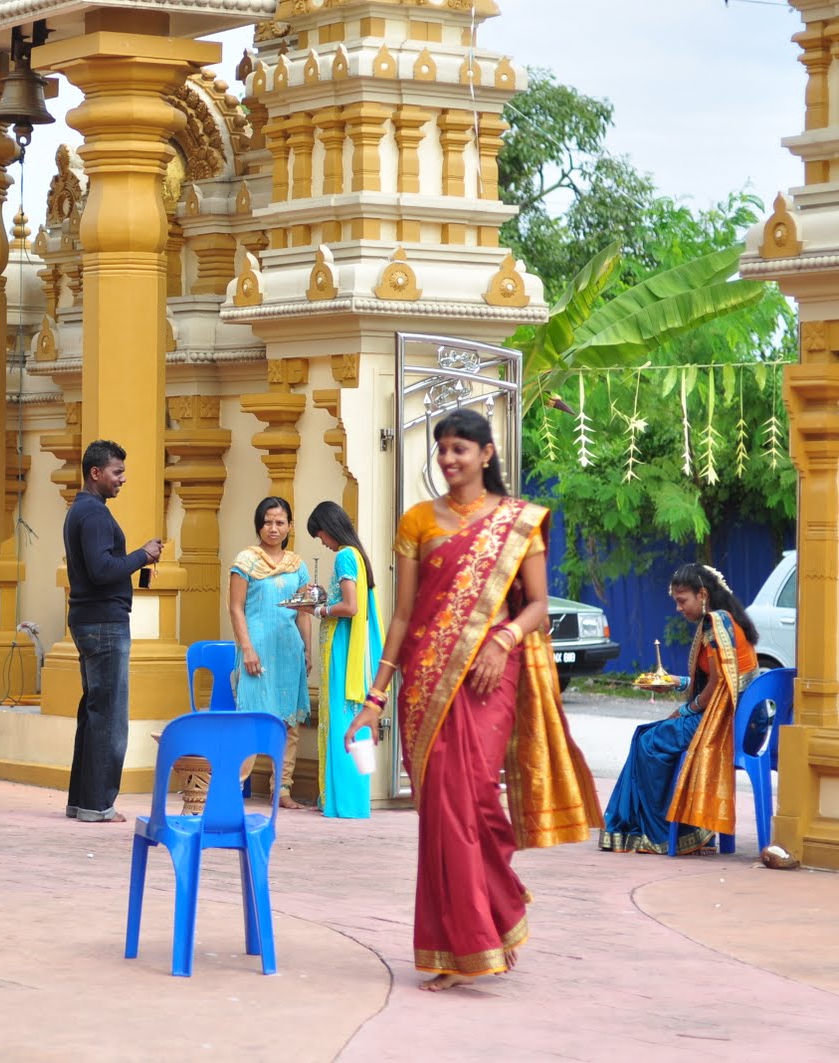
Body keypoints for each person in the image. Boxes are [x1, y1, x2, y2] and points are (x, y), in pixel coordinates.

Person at [347, 408, 599, 992]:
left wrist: (503, 639)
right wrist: (376, 697)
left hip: (491, 675)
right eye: (442, 451)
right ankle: (461, 943)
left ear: (486, 454)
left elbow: (536, 604)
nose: (449, 460)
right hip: (425, 687)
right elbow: (406, 615)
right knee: (441, 813)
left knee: (476, 801)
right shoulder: (416, 522)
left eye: (460, 449)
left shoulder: (519, 522)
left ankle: (492, 918)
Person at [601, 563, 759, 855]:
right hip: (742, 724)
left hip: (723, 726)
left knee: (646, 740)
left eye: (681, 599)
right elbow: (723, 682)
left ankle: (661, 833)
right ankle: (677, 830)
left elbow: (716, 686)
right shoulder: (731, 620)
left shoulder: (715, 624)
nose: (678, 607)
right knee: (651, 736)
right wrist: (677, 683)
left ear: (702, 594)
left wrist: (686, 710)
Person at [62, 439, 162, 824]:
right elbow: (103, 570)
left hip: (90, 620)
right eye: (117, 472)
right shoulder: (94, 515)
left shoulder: (82, 511)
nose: (122, 479)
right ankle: (99, 804)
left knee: (93, 713)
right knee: (109, 717)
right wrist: (142, 555)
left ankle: (81, 800)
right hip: (104, 622)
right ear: (95, 473)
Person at [228, 497, 312, 809]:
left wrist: (307, 650)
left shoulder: (297, 565)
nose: (273, 528)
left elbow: (303, 612)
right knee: (251, 717)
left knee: (290, 722)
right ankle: (234, 788)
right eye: (267, 522)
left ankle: (283, 789)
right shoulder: (246, 561)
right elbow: (235, 609)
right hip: (257, 650)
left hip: (289, 650)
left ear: (289, 526)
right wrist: (247, 649)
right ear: (258, 525)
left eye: (279, 522)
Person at [305, 501, 383, 819]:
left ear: (329, 527)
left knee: (342, 716)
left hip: (341, 647)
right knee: (350, 715)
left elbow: (349, 607)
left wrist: (319, 609)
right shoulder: (356, 554)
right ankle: (349, 799)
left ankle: (346, 801)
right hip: (346, 646)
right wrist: (326, 596)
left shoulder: (345, 555)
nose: (322, 541)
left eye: (320, 534)